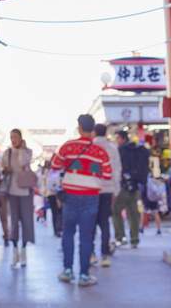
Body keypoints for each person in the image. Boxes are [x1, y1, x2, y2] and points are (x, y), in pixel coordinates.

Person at [51, 113, 112, 287]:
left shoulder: (67, 147)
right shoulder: (100, 152)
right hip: (91, 197)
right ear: (92, 130)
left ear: (79, 127)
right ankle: (84, 275)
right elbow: (107, 175)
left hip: (70, 196)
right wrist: (93, 170)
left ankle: (68, 271)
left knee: (68, 233)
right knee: (87, 236)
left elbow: (55, 166)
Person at [0, 128, 36, 268]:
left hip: (25, 191)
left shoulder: (27, 151)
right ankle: (15, 251)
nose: (13, 139)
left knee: (26, 221)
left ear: (21, 138)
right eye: (11, 137)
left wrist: (21, 149)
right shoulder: (7, 153)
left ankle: (24, 250)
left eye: (15, 137)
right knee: (14, 222)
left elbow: (23, 163)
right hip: (12, 191)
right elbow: (4, 167)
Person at [91, 123, 121, 268]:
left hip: (92, 189)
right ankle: (104, 255)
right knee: (104, 222)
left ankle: (91, 254)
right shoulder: (112, 148)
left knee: (90, 222)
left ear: (94, 132)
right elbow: (117, 170)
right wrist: (116, 190)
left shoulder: (91, 147)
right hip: (108, 189)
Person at [112, 128, 147, 248]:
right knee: (133, 213)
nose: (116, 141)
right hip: (135, 186)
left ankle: (120, 237)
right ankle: (135, 239)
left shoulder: (120, 151)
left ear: (122, 138)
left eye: (117, 138)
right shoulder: (137, 150)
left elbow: (116, 169)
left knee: (116, 211)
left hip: (123, 186)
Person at [42, 160, 64, 235]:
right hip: (52, 194)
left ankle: (59, 228)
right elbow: (45, 183)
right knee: (55, 212)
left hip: (60, 193)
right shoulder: (48, 172)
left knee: (60, 212)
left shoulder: (61, 171)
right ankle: (57, 229)